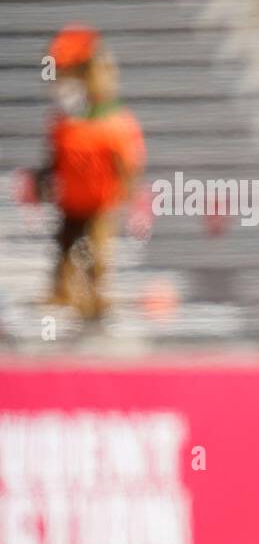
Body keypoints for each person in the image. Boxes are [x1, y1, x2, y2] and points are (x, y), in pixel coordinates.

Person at [35, 25, 145, 322]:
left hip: (99, 203)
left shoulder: (115, 123)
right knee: (64, 249)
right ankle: (63, 295)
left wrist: (127, 192)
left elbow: (127, 165)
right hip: (71, 203)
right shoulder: (65, 124)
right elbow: (53, 160)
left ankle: (96, 300)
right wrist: (42, 179)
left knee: (97, 253)